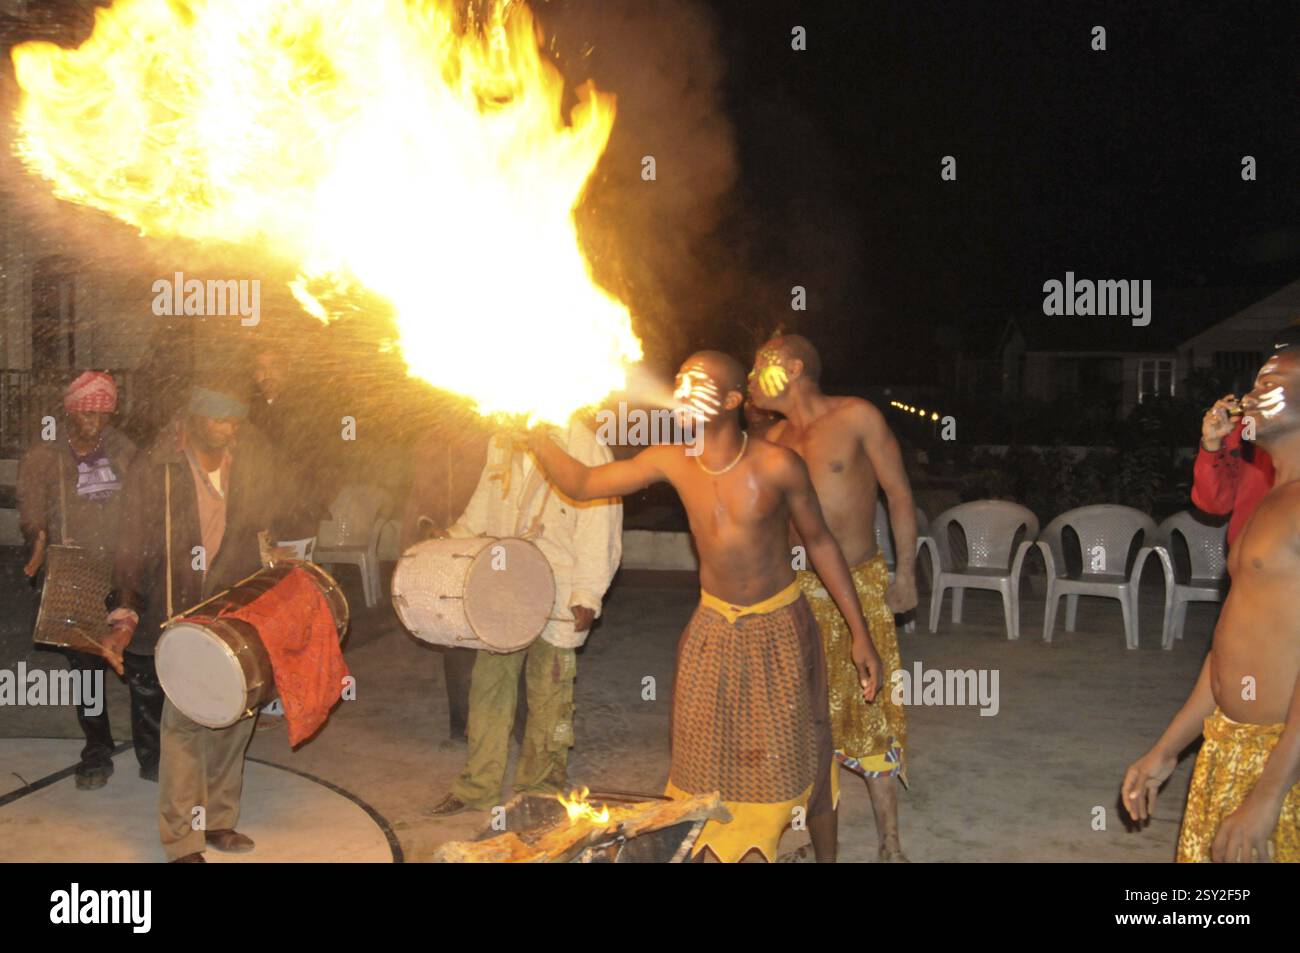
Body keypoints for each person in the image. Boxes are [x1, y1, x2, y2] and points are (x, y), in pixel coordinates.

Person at [527, 351, 882, 862]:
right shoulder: (670, 459)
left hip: (778, 627)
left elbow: (821, 543)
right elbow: (582, 484)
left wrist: (860, 633)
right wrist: (535, 431)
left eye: (696, 383)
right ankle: (706, 846)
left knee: (799, 752)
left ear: (734, 400)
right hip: (712, 626)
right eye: (678, 382)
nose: (680, 392)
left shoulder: (777, 464)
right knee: (700, 757)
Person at [1122, 347, 1300, 862]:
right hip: (1227, 747)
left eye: (1271, 383)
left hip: (1281, 763)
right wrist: (1168, 749)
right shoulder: (1269, 498)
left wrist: (1268, 795)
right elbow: (1229, 650)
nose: (1249, 395)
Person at [748, 334, 917, 862]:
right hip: (793, 591)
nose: (752, 376)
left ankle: (889, 841)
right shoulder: (772, 439)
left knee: (869, 713)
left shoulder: (857, 416)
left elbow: (900, 493)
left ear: (794, 368)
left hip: (859, 584)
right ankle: (804, 830)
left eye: (760, 366)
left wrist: (906, 572)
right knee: (799, 717)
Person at [103, 373, 281, 862]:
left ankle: (219, 821)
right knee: (184, 724)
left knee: (236, 713)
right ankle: (182, 840)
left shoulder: (248, 458)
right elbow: (131, 539)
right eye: (218, 419)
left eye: (234, 420)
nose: (228, 429)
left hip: (236, 605)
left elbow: (265, 520)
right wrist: (126, 607)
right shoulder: (159, 465)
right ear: (195, 419)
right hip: (181, 606)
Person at [428, 416, 622, 815]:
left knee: (550, 696)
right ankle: (476, 787)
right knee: (488, 687)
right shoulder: (503, 440)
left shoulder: (583, 446)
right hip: (506, 584)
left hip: (560, 587)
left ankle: (541, 791)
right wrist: (452, 538)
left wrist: (588, 593)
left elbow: (599, 527)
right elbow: (484, 504)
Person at [17, 371, 140, 788]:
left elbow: (147, 503)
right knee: (85, 665)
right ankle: (97, 750)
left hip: (123, 565)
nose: (95, 421)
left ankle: (152, 749)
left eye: (104, 413)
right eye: (88, 413)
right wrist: (38, 538)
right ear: (70, 411)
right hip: (74, 568)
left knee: (138, 657)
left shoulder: (124, 450)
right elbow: (31, 504)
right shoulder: (46, 454)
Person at [400, 414, 492, 744]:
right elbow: (419, 498)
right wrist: (427, 530)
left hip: (491, 553)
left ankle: (501, 723)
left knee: (496, 639)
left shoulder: (495, 441)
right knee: (455, 638)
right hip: (447, 557)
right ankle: (462, 725)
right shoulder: (430, 444)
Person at [1191, 327, 1300, 546]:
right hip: (1249, 561)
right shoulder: (1249, 426)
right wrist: (1212, 444)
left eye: (1272, 384)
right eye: (1263, 382)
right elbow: (1215, 504)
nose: (1250, 398)